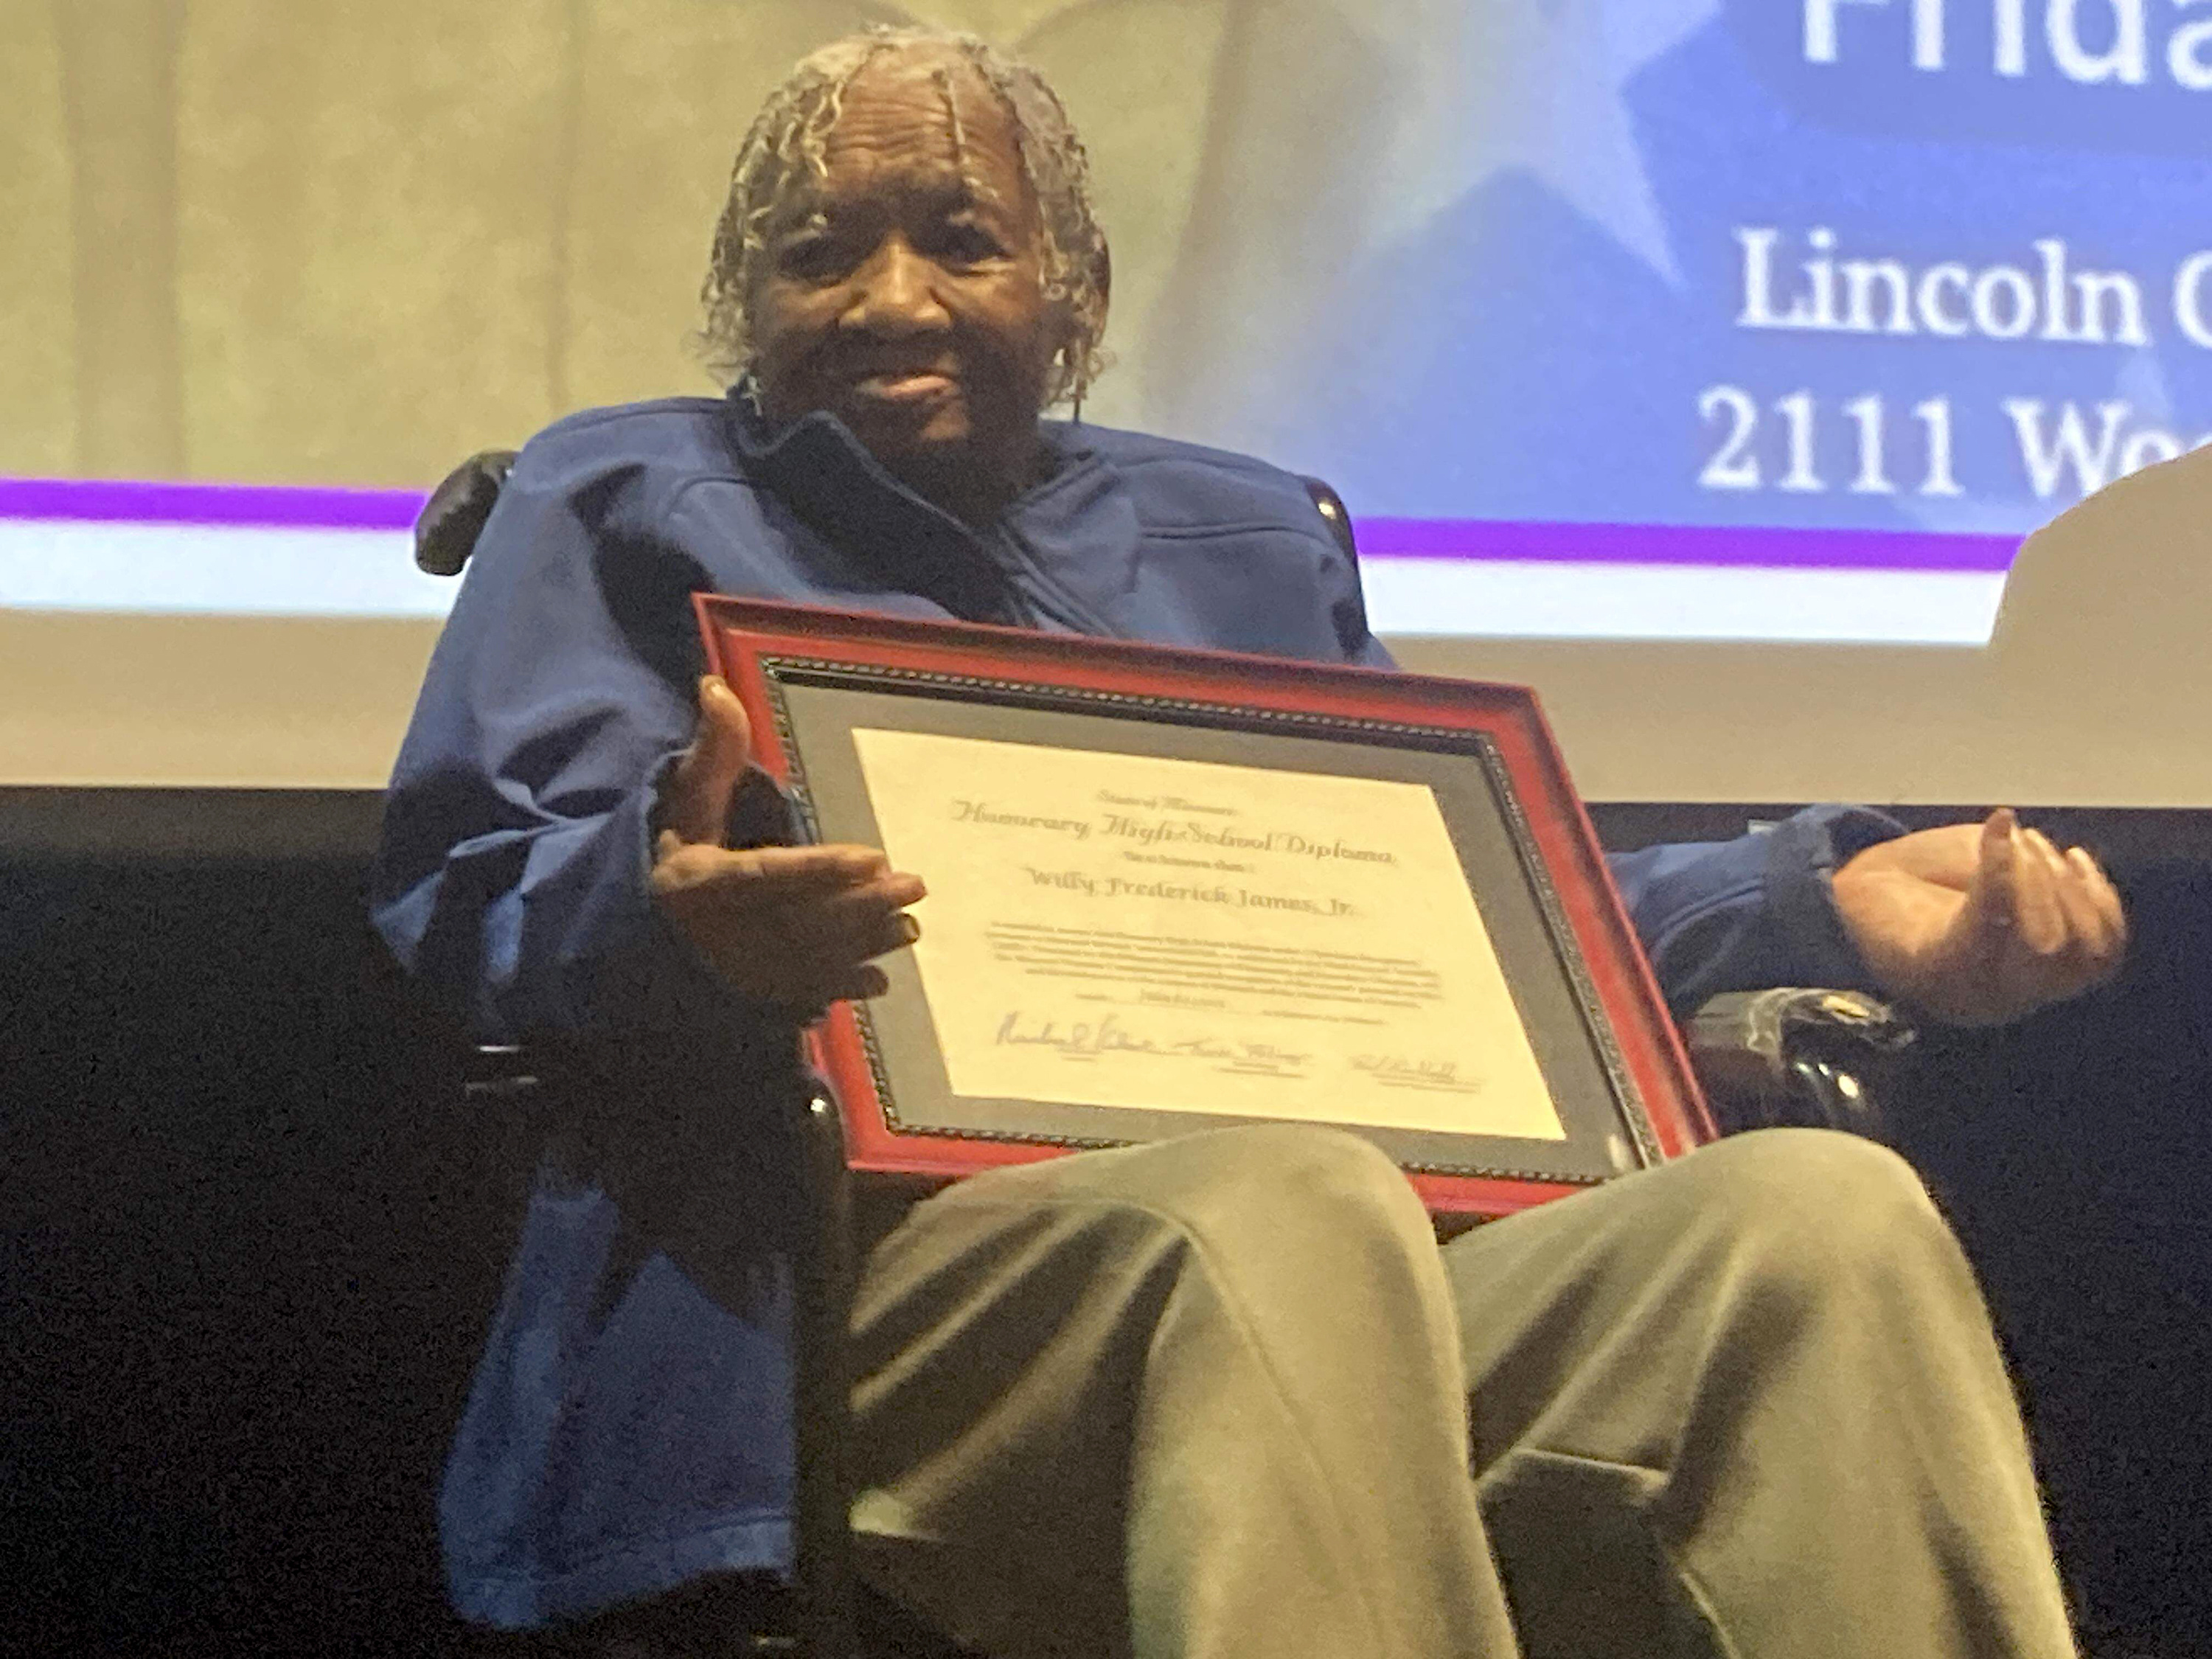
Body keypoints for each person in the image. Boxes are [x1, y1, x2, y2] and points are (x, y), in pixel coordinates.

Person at [372, 27, 2126, 1659]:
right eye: (820, 252)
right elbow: (477, 886)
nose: (891, 301)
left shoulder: (1238, 543)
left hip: (1345, 1279)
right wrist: (674, 929)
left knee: (1811, 1220)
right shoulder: (623, 500)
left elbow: (1468, 922)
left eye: (961, 241)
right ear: (742, 297)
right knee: (1283, 1197)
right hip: (856, 1299)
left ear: (1072, 287)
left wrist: (1811, 896)